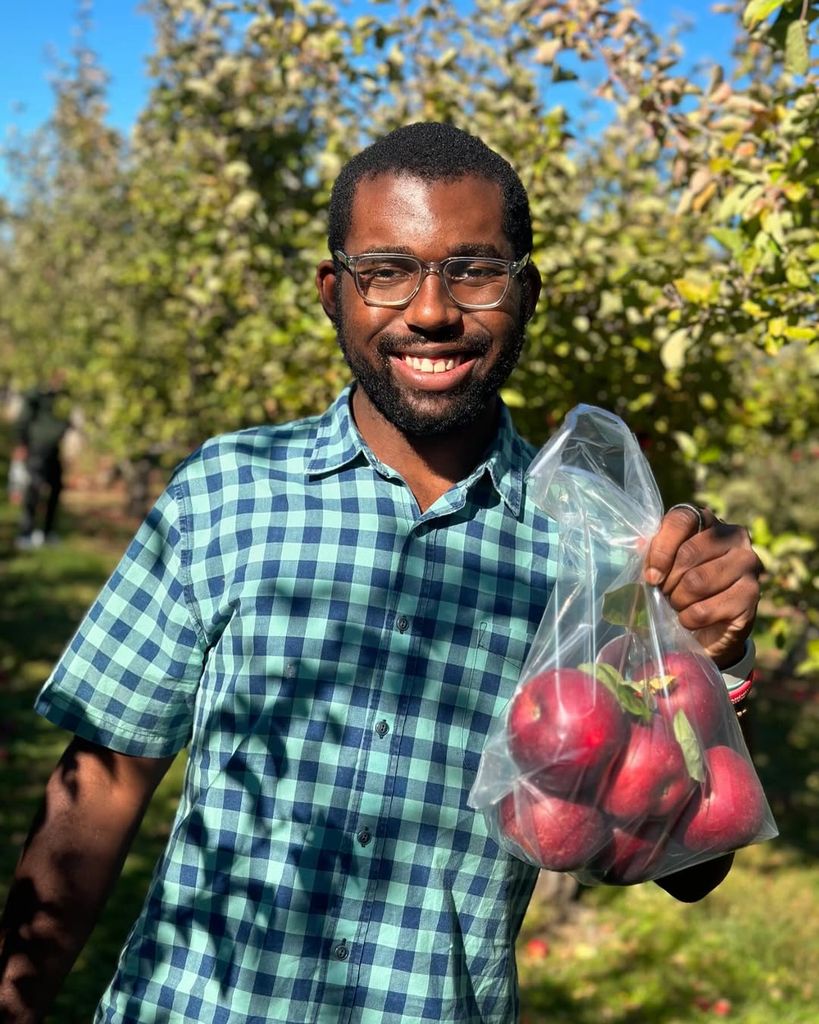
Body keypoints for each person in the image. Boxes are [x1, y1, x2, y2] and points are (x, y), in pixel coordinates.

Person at [0, 123, 762, 1024]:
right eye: (385, 271)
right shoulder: (228, 491)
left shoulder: (597, 551)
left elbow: (677, 865)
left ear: (528, 293)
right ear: (334, 292)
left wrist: (709, 663)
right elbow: (101, 785)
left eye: (474, 269)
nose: (431, 310)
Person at [12, 375, 70, 550]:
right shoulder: (36, 394)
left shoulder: (64, 396)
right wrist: (22, 445)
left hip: (54, 449)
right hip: (36, 448)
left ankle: (47, 532)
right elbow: (23, 421)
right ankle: (26, 533)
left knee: (56, 487)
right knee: (34, 488)